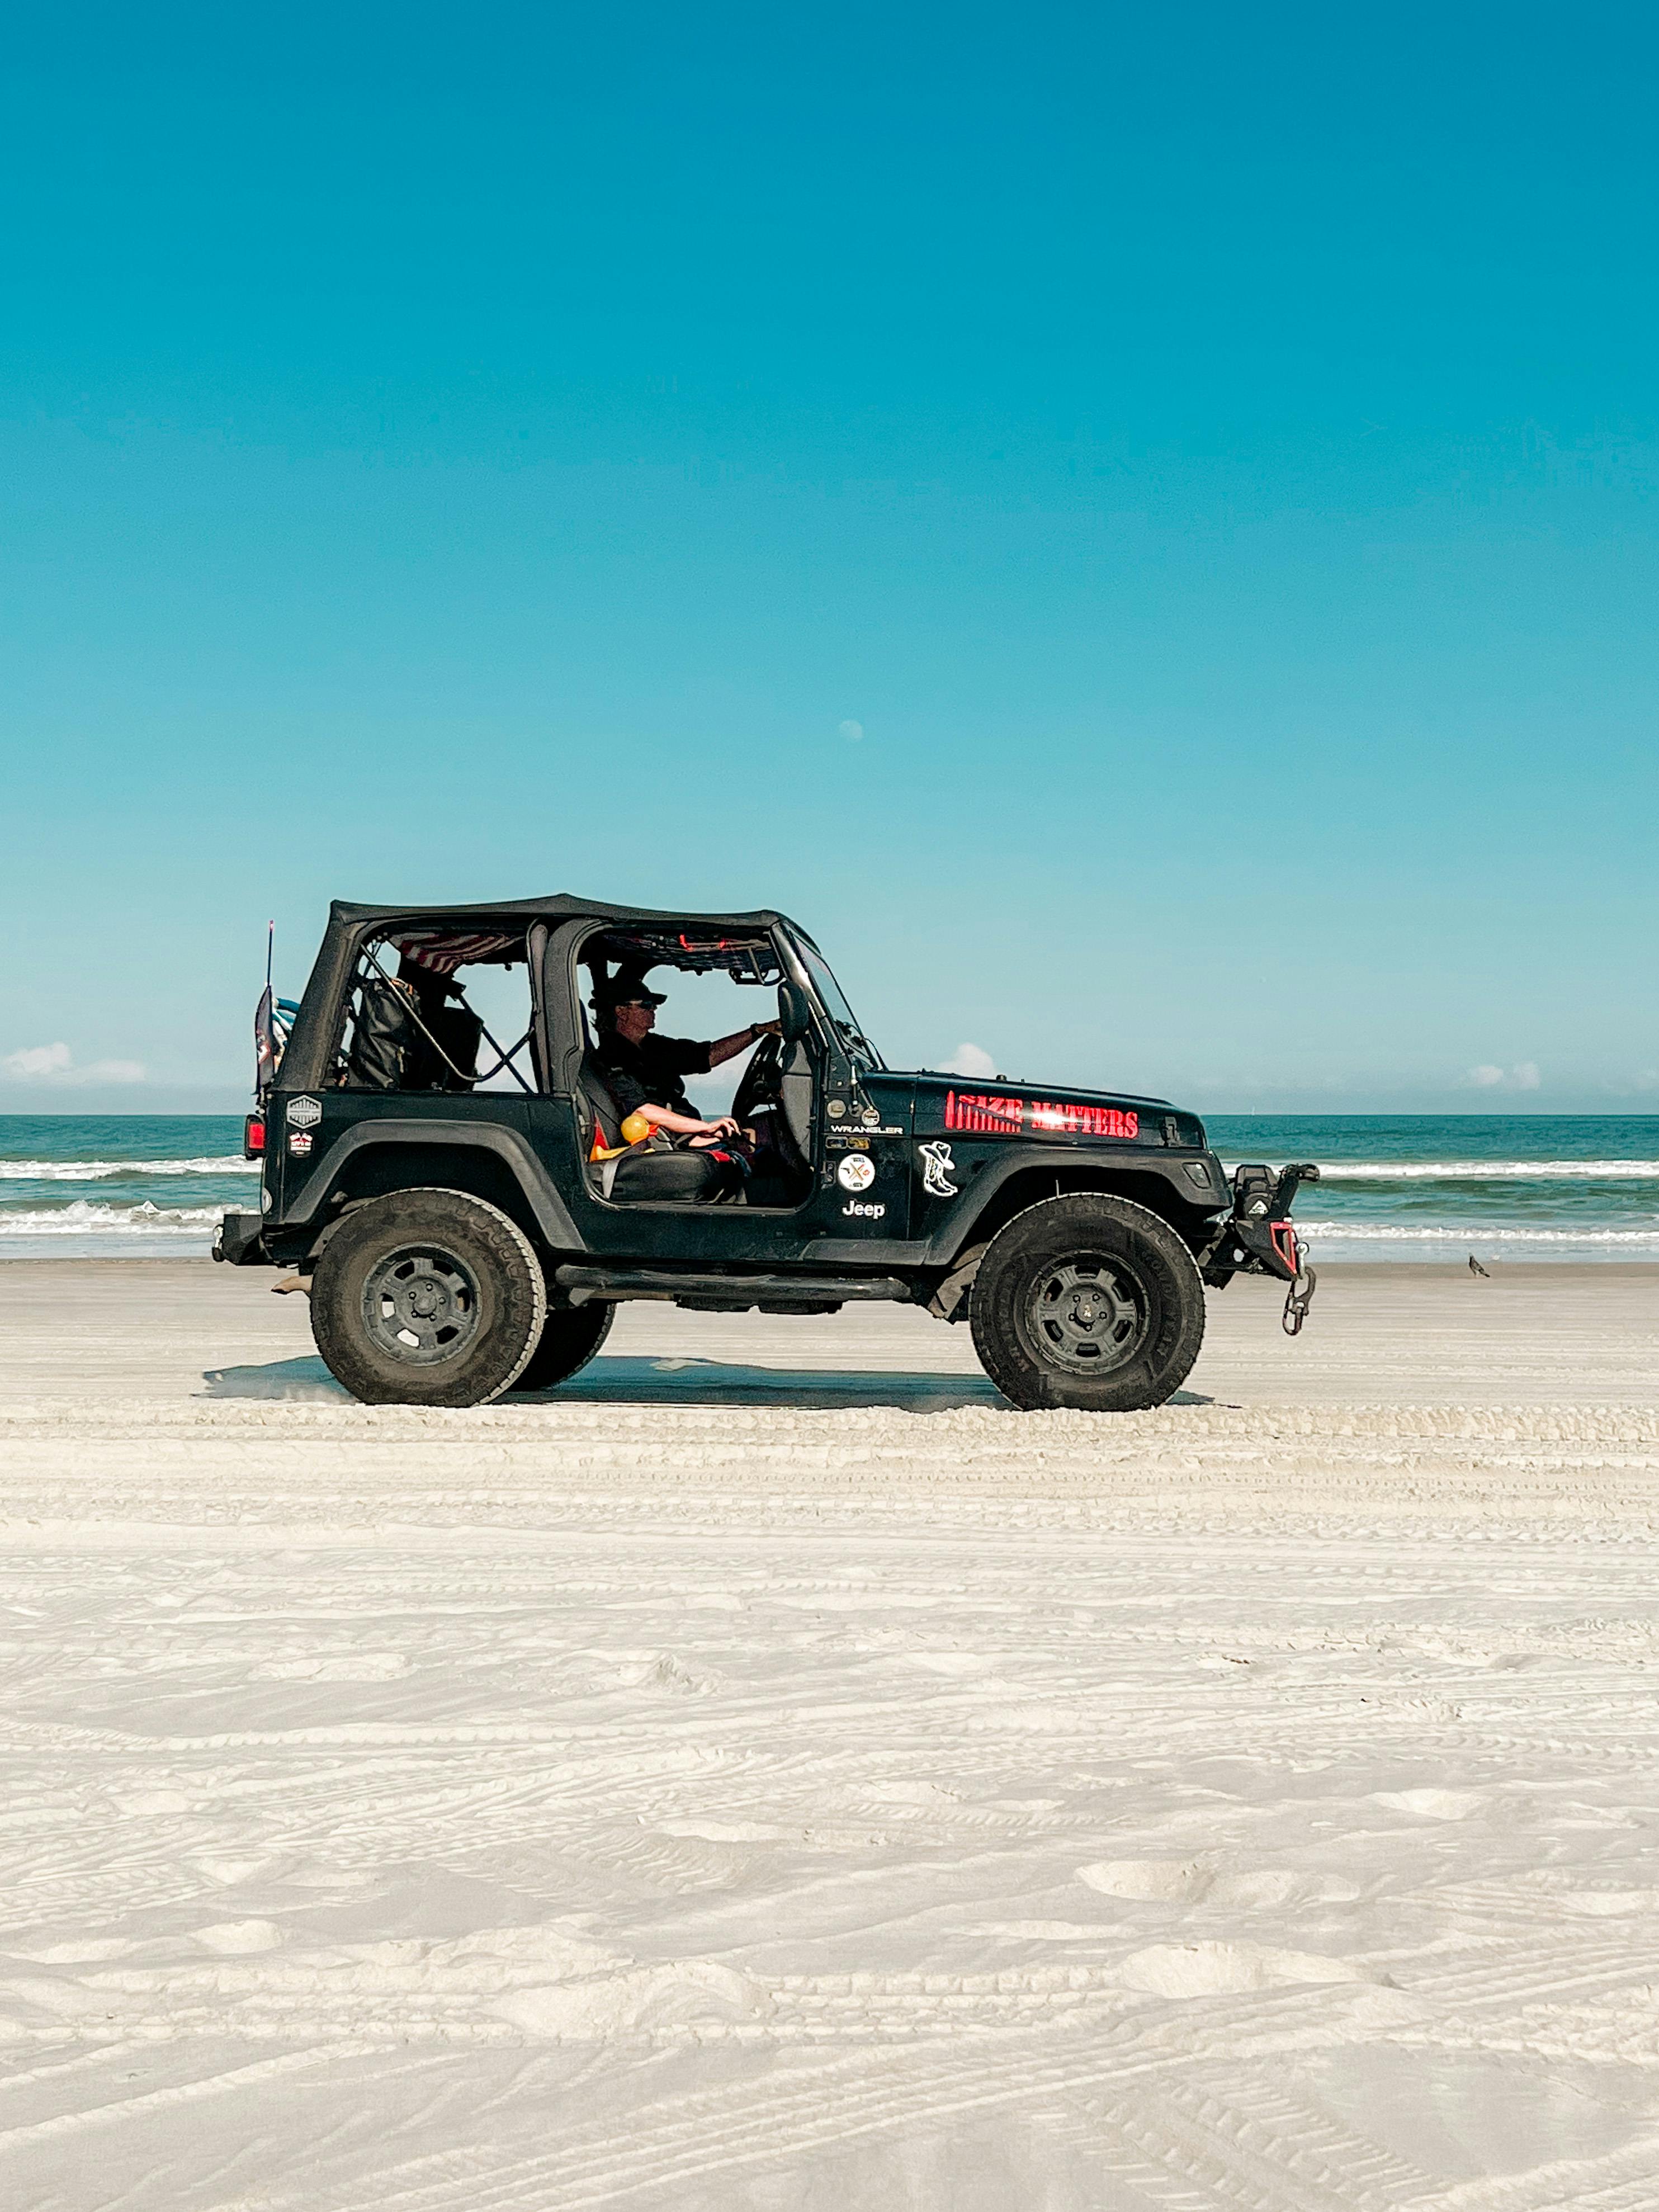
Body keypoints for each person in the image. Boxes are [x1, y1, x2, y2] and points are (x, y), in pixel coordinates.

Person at [592, 973, 779, 1147]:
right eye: (646, 1004)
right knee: (774, 1132)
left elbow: (709, 1055)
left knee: (772, 1125)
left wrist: (758, 1031)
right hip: (667, 1141)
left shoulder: (653, 1046)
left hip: (685, 1132)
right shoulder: (611, 1057)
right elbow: (642, 1110)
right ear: (622, 1012)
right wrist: (705, 1127)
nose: (654, 1009)